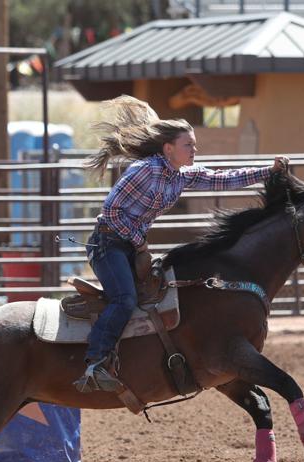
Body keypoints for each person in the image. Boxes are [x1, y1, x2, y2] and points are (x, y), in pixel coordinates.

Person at [73, 96, 289, 393]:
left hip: (130, 246)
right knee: (124, 299)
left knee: (156, 296)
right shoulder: (144, 170)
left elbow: (223, 179)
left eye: (194, 145)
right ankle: (95, 363)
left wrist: (268, 171)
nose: (194, 150)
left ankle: (137, 361)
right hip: (107, 244)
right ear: (168, 149)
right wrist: (137, 241)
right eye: (188, 145)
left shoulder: (182, 176)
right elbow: (110, 211)